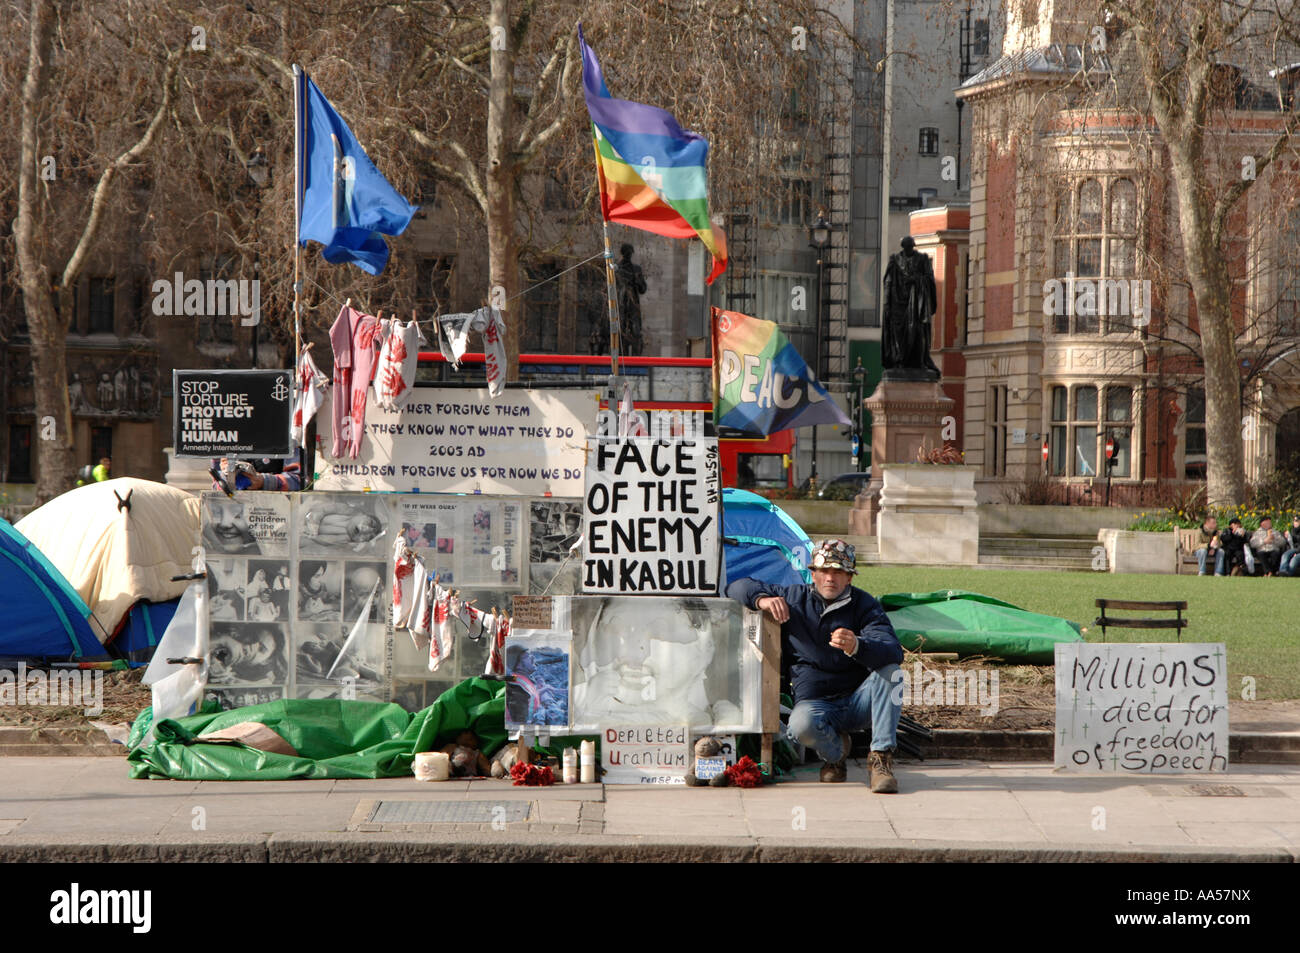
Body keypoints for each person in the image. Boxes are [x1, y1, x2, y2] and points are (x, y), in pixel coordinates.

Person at [726, 538, 903, 792]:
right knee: (799, 726)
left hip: (857, 702)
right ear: (813, 574)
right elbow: (736, 587)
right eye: (825, 571)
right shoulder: (793, 598)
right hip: (814, 704)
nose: (831, 578)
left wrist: (858, 646)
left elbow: (892, 650)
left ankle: (881, 760)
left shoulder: (865, 606)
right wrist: (762, 600)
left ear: (849, 578)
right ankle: (836, 755)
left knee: (892, 673)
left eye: (839, 572)